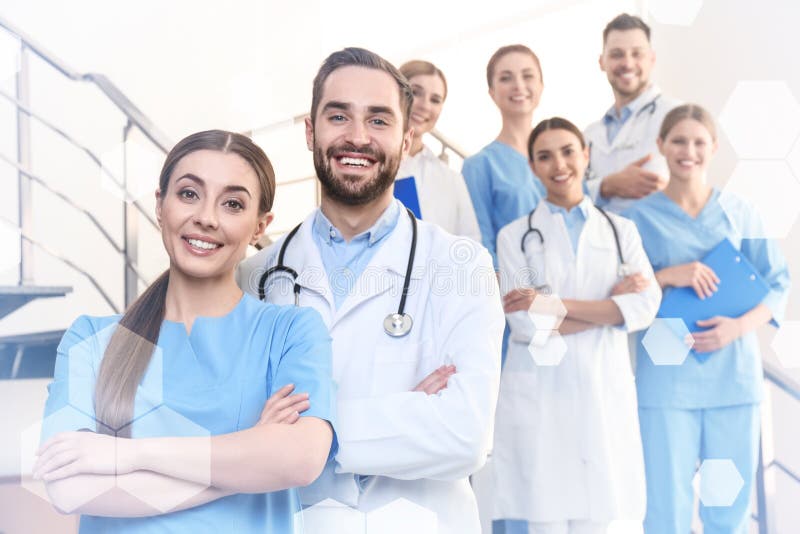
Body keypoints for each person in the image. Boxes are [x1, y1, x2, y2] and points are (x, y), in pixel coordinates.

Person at [238, 47, 504, 534]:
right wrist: (407, 413)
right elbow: (235, 429)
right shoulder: (255, 276)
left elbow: (466, 435)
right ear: (310, 131)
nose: (358, 137)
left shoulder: (461, 266)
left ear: (406, 139)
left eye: (378, 120)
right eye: (338, 116)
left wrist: (305, 432)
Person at [33, 130, 337, 533]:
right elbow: (69, 489)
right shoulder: (91, 339)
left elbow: (300, 459)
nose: (207, 218)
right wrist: (249, 459)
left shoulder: (291, 332)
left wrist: (130, 455)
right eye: (189, 194)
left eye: (232, 204)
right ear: (160, 205)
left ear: (259, 226)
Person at [623, 105, 790, 534]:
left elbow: (778, 284)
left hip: (731, 380)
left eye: (699, 142)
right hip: (665, 381)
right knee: (665, 510)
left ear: (714, 148)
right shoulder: (636, 219)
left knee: (726, 511)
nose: (689, 151)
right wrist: (666, 276)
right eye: (678, 141)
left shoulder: (741, 212)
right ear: (661, 145)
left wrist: (738, 327)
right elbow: (621, 293)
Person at [491, 117, 660, 534]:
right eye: (545, 156)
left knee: (599, 519)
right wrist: (609, 310)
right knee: (545, 519)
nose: (559, 164)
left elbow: (643, 307)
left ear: (586, 155)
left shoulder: (621, 231)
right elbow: (525, 324)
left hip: (602, 392)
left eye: (568, 151)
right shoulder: (514, 236)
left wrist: (553, 306)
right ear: (532, 166)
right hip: (543, 395)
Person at [584, 13, 681, 214]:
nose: (627, 63)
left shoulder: (675, 116)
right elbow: (569, 196)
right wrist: (607, 186)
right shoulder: (590, 135)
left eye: (637, 54)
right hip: (601, 233)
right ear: (602, 62)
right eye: (617, 54)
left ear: (652, 59)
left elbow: (687, 189)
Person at [462, 44, 546, 268]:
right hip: (516, 285)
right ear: (492, 92)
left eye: (527, 76)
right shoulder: (479, 166)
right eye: (506, 78)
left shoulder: (565, 155)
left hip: (574, 284)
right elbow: (482, 245)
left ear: (541, 85)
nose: (518, 85)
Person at [394, 60, 481, 242]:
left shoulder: (451, 180)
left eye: (435, 100)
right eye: (415, 92)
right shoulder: (366, 164)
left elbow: (470, 245)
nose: (425, 106)